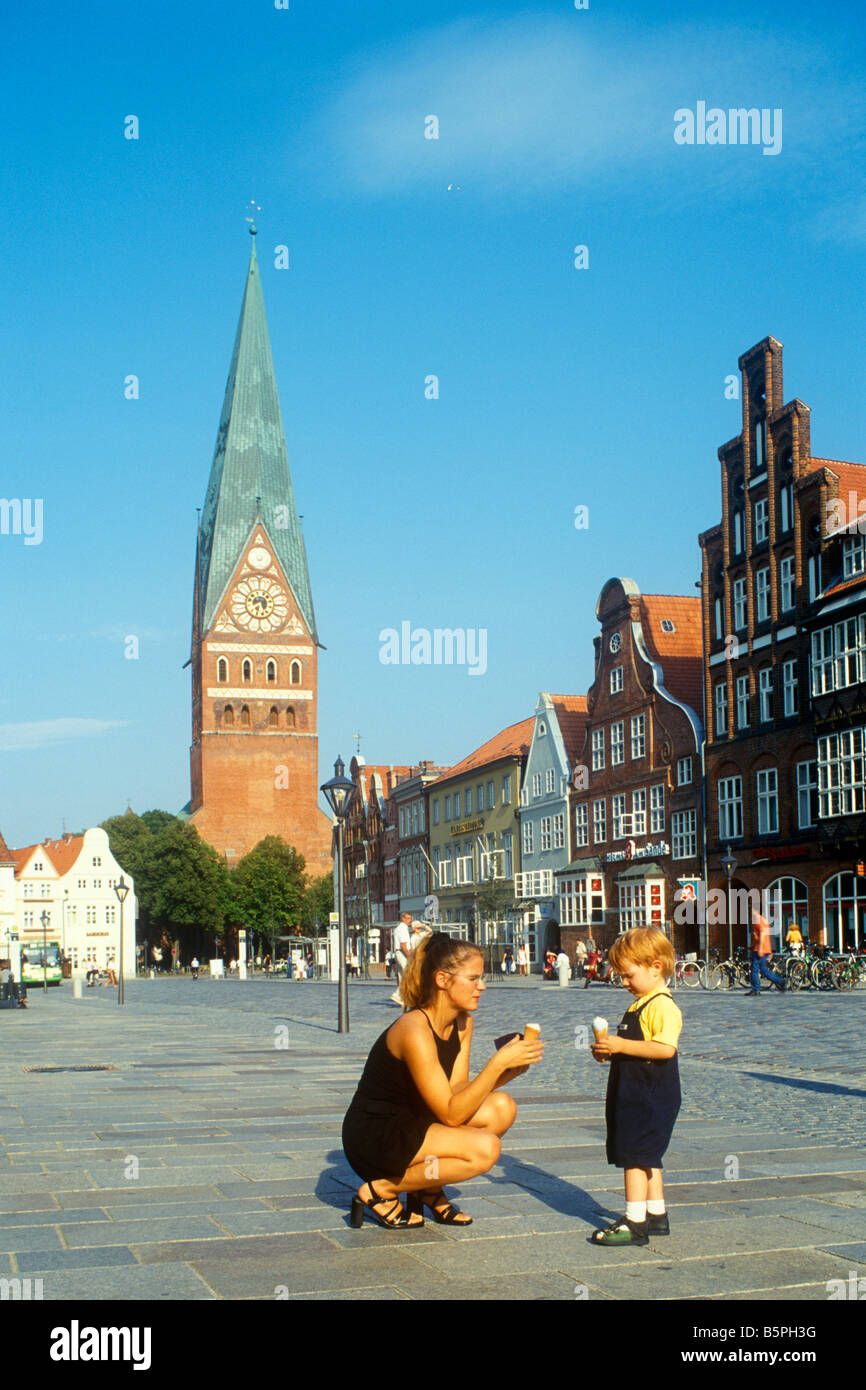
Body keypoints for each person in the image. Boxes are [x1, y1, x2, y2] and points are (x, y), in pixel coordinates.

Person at [342, 932, 544, 1229]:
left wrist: (504, 1074)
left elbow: (456, 1091)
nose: (482, 986)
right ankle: (381, 1190)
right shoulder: (413, 1028)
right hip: (378, 1134)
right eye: (474, 978)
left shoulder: (463, 1021)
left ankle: (428, 1188)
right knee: (485, 1149)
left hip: (418, 1120)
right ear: (442, 980)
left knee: (502, 1107)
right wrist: (496, 1062)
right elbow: (451, 1113)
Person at [590, 927, 682, 1245]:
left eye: (628, 976)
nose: (624, 983)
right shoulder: (641, 1003)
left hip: (650, 1095)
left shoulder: (662, 1006)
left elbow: (664, 1049)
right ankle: (656, 1215)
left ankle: (635, 1221)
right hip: (636, 1092)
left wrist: (620, 1045)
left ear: (655, 967)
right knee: (648, 1156)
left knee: (635, 1157)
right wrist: (609, 1049)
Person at [748, 907, 786, 995]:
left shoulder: (759, 920)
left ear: (756, 911)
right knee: (763, 970)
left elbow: (762, 934)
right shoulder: (762, 920)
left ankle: (756, 990)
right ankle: (780, 981)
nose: (750, 912)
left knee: (754, 969)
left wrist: (760, 948)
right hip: (762, 948)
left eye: (752, 910)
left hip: (760, 949)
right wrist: (752, 946)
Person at [390, 911, 413, 1006]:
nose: (409, 921)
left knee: (401, 975)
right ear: (403, 918)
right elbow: (403, 945)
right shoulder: (403, 929)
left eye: (410, 919)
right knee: (408, 974)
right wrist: (410, 956)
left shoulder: (397, 928)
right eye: (408, 918)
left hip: (398, 953)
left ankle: (403, 999)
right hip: (402, 953)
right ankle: (398, 995)